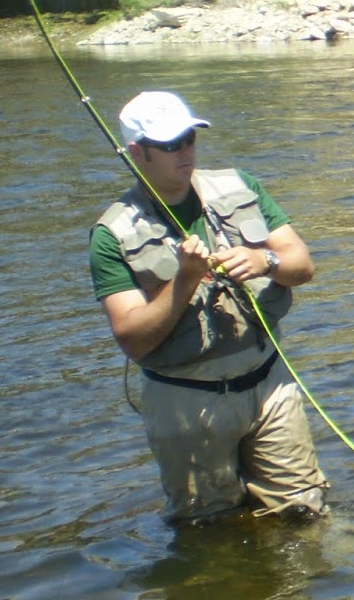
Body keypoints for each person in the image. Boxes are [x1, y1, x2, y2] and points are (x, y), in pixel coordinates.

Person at [90, 90, 330, 524]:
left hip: (268, 383)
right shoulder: (112, 234)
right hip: (185, 400)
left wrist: (265, 260)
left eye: (190, 138)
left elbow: (303, 266)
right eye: (170, 144)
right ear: (137, 153)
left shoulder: (241, 185)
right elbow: (132, 338)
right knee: (207, 529)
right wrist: (183, 280)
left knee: (305, 513)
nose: (185, 151)